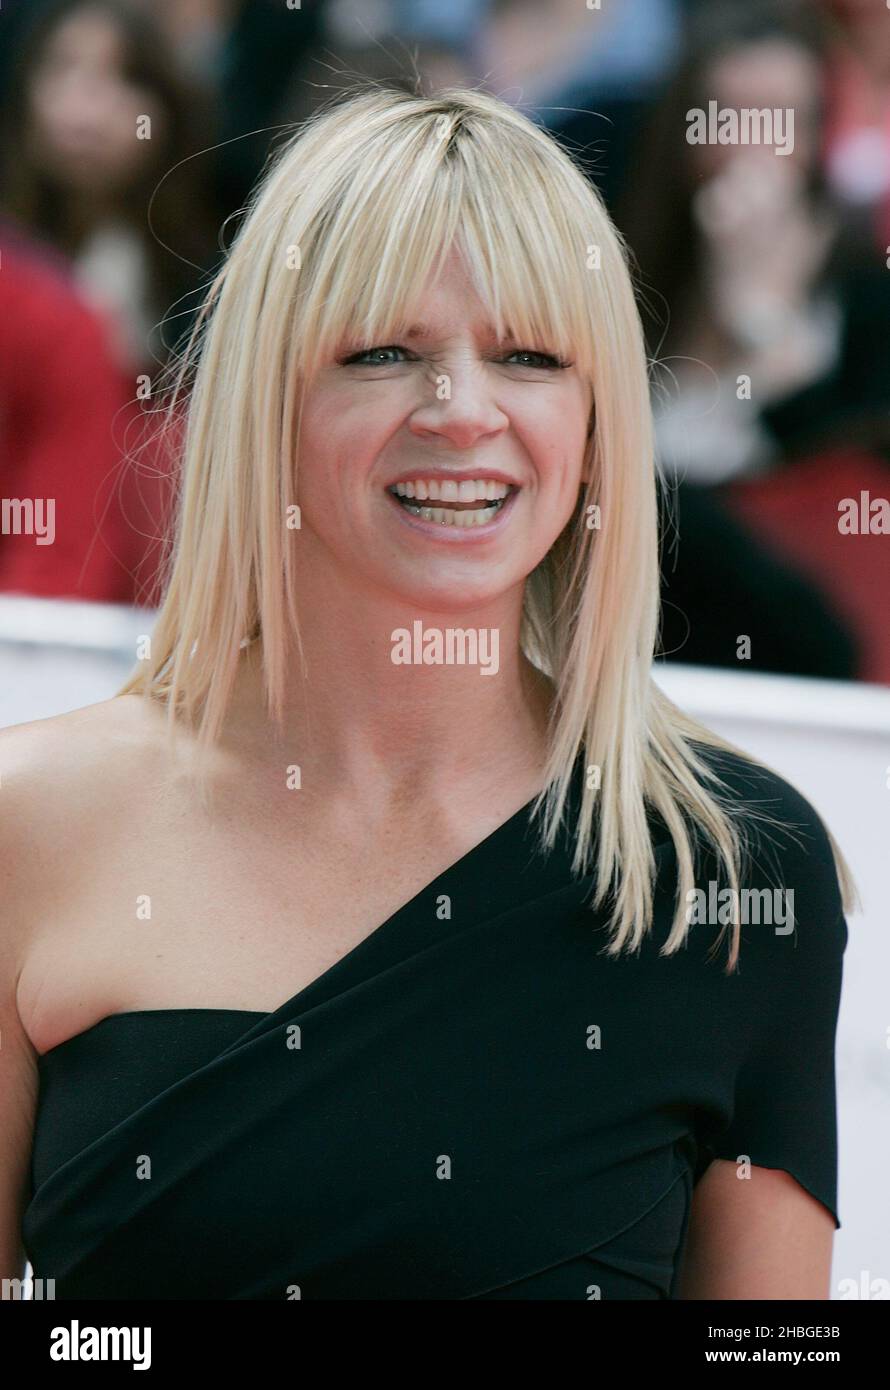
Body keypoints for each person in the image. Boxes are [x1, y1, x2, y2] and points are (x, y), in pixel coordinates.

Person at [1, 84, 856, 1300]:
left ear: (596, 413)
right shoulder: (27, 823)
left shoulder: (732, 869)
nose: (462, 413)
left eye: (527, 356)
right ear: (267, 401)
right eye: (383, 352)